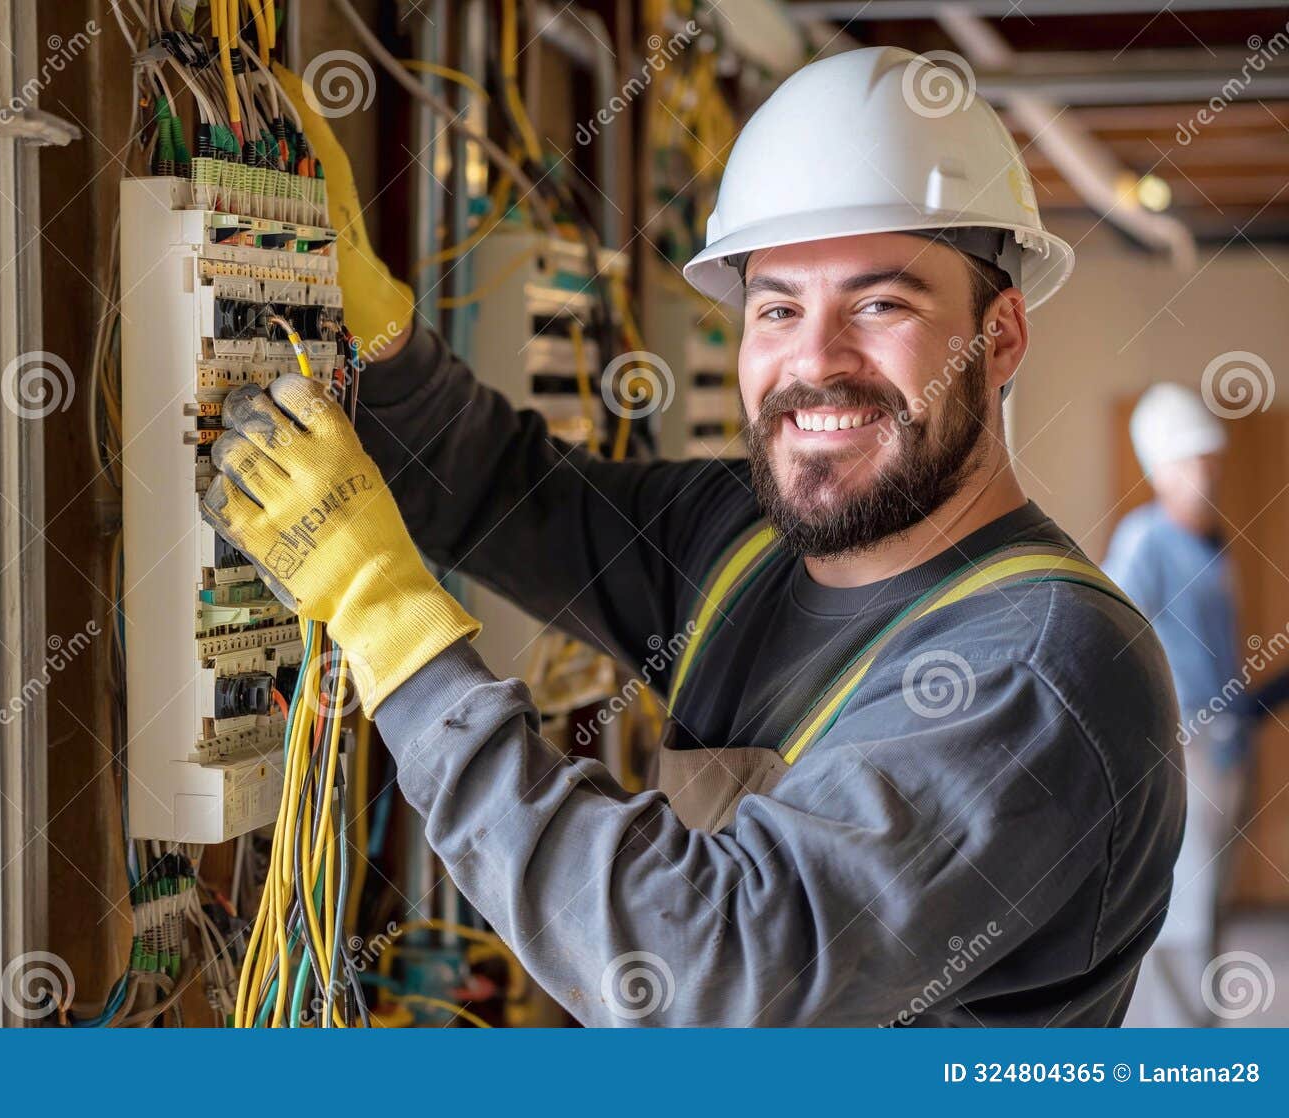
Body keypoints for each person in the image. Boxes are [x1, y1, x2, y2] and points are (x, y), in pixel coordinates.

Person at [203, 47, 1184, 1026]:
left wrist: (384, 613)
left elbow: (702, 970)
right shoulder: (740, 541)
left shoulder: (1041, 667)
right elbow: (503, 490)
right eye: (777, 307)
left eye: (881, 303)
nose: (816, 362)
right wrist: (361, 318)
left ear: (1000, 335)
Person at [1103, 384, 1243, 1025]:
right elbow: (1112, 643)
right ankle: (1182, 1048)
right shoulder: (1145, 540)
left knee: (1211, 892)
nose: (1205, 476)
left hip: (1227, 745)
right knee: (1183, 895)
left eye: (1210, 460)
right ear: (1160, 470)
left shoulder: (1215, 545)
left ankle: (1202, 1030)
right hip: (1179, 747)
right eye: (1190, 463)